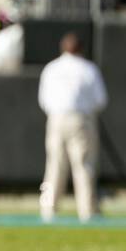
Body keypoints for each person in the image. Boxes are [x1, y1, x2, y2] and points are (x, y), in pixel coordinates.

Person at [38, 33, 108, 222]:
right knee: (83, 167)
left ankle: (48, 211)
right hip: (80, 120)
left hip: (56, 119)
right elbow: (100, 100)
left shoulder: (51, 68)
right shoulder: (88, 69)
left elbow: (43, 100)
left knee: (54, 166)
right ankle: (87, 212)